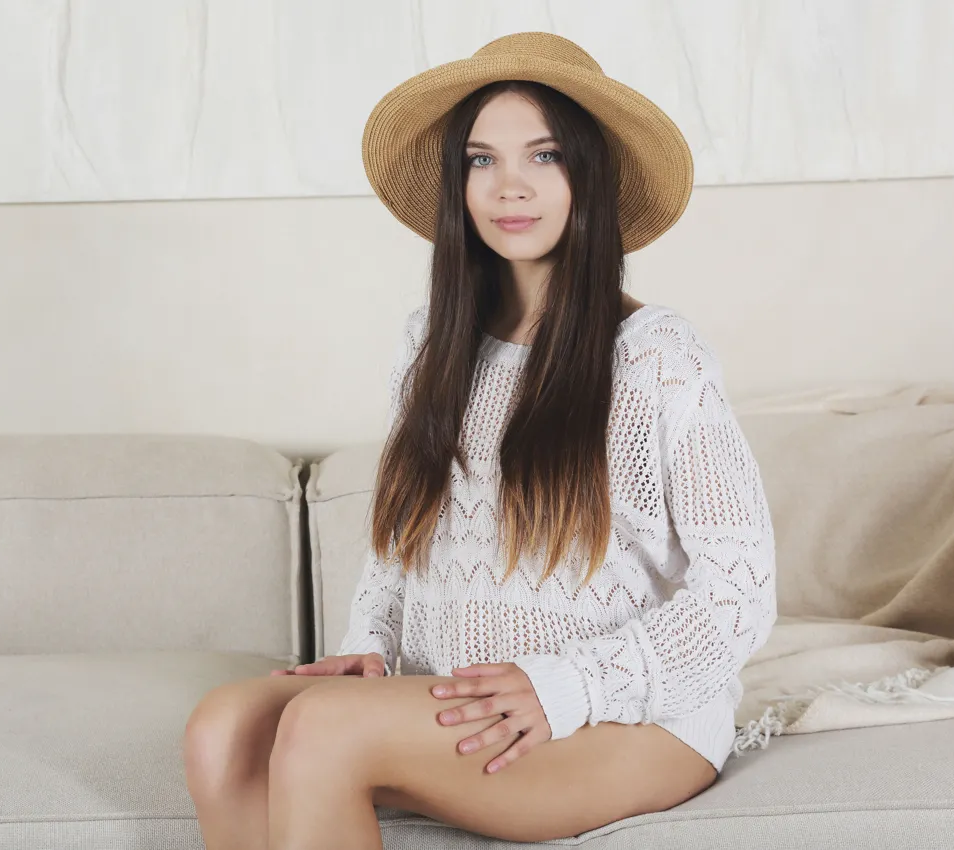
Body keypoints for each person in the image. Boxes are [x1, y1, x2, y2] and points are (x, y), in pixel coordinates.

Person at [184, 31, 777, 848]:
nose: (509, 186)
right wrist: (371, 652)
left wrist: (567, 685)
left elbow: (741, 592)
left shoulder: (656, 356)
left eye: (544, 156)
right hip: (465, 696)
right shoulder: (432, 343)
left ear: (589, 176)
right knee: (222, 726)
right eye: (480, 160)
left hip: (625, 720)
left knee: (323, 728)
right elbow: (404, 543)